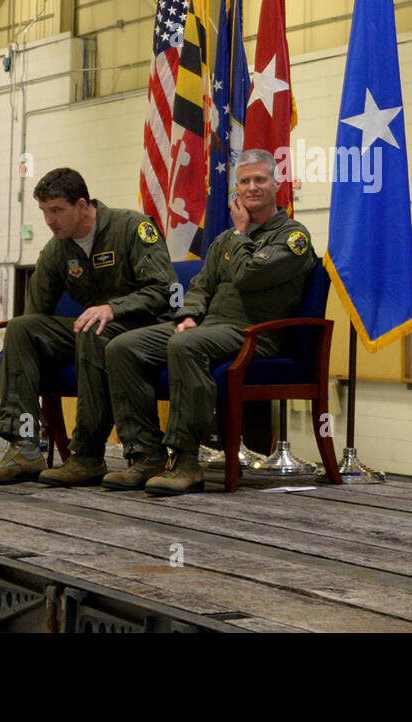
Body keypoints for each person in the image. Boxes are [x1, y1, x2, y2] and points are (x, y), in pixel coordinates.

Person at [102, 149, 316, 495]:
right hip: (210, 327)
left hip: (255, 334)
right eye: (244, 181)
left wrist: (241, 234)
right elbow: (202, 285)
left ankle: (186, 460)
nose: (251, 188)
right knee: (123, 347)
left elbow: (249, 276)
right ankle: (145, 456)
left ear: (277, 184)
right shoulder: (226, 240)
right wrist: (187, 316)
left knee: (186, 345)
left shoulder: (292, 237)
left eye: (260, 179)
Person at [0, 167, 176, 485]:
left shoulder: (131, 228)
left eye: (56, 210)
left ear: (82, 205)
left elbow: (164, 291)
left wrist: (114, 308)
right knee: (22, 329)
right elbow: (37, 311)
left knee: (92, 329)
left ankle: (87, 455)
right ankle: (23, 449)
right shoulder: (59, 248)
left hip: (143, 328)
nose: (49, 220)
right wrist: (29, 352)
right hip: (93, 331)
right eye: (44, 211)